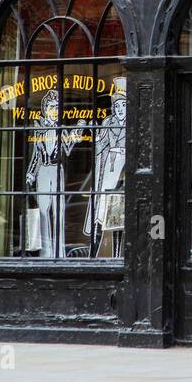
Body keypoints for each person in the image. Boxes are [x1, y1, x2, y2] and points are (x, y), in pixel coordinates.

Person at [25, 88, 78, 258]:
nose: (54, 111)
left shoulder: (60, 128)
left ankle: (59, 253)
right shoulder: (38, 128)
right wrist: (31, 173)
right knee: (42, 211)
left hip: (57, 170)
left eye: (57, 107)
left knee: (59, 210)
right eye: (51, 107)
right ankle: (46, 254)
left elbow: (68, 150)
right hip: (43, 171)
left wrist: (77, 132)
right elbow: (36, 155)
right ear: (45, 109)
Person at [87, 78, 127, 258]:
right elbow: (99, 146)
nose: (119, 109)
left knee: (117, 218)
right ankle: (92, 256)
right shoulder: (107, 123)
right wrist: (94, 136)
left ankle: (118, 257)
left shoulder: (133, 123)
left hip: (123, 175)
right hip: (108, 175)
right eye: (117, 106)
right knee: (100, 215)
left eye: (123, 105)